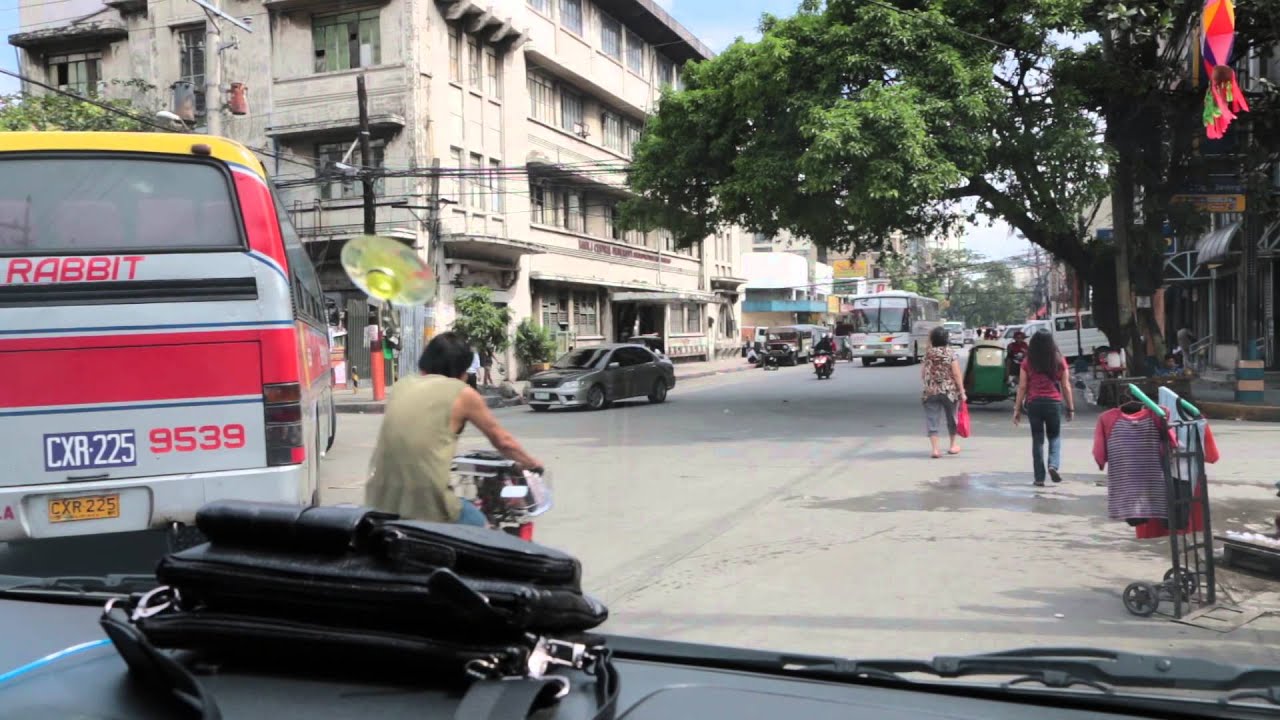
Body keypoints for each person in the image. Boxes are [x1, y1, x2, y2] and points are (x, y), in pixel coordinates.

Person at [365, 332, 544, 527]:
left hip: (378, 502)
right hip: (426, 506)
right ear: (461, 369)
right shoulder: (462, 393)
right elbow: (502, 440)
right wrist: (533, 464)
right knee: (481, 527)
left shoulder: (402, 386)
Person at [1013, 328, 1075, 487]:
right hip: (1053, 403)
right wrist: (1070, 408)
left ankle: (1039, 478)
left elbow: (1022, 387)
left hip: (1034, 403)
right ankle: (1053, 465)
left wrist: (1017, 409)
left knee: (1038, 440)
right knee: (1054, 436)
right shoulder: (1059, 360)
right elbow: (1066, 386)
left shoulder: (1027, 362)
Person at [921, 325, 966, 459]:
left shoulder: (928, 353)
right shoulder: (950, 353)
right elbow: (957, 374)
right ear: (946, 339)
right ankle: (952, 446)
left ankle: (935, 450)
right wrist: (962, 391)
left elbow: (923, 373)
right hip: (949, 391)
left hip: (931, 391)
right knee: (952, 417)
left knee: (932, 419)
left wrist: (929, 383)